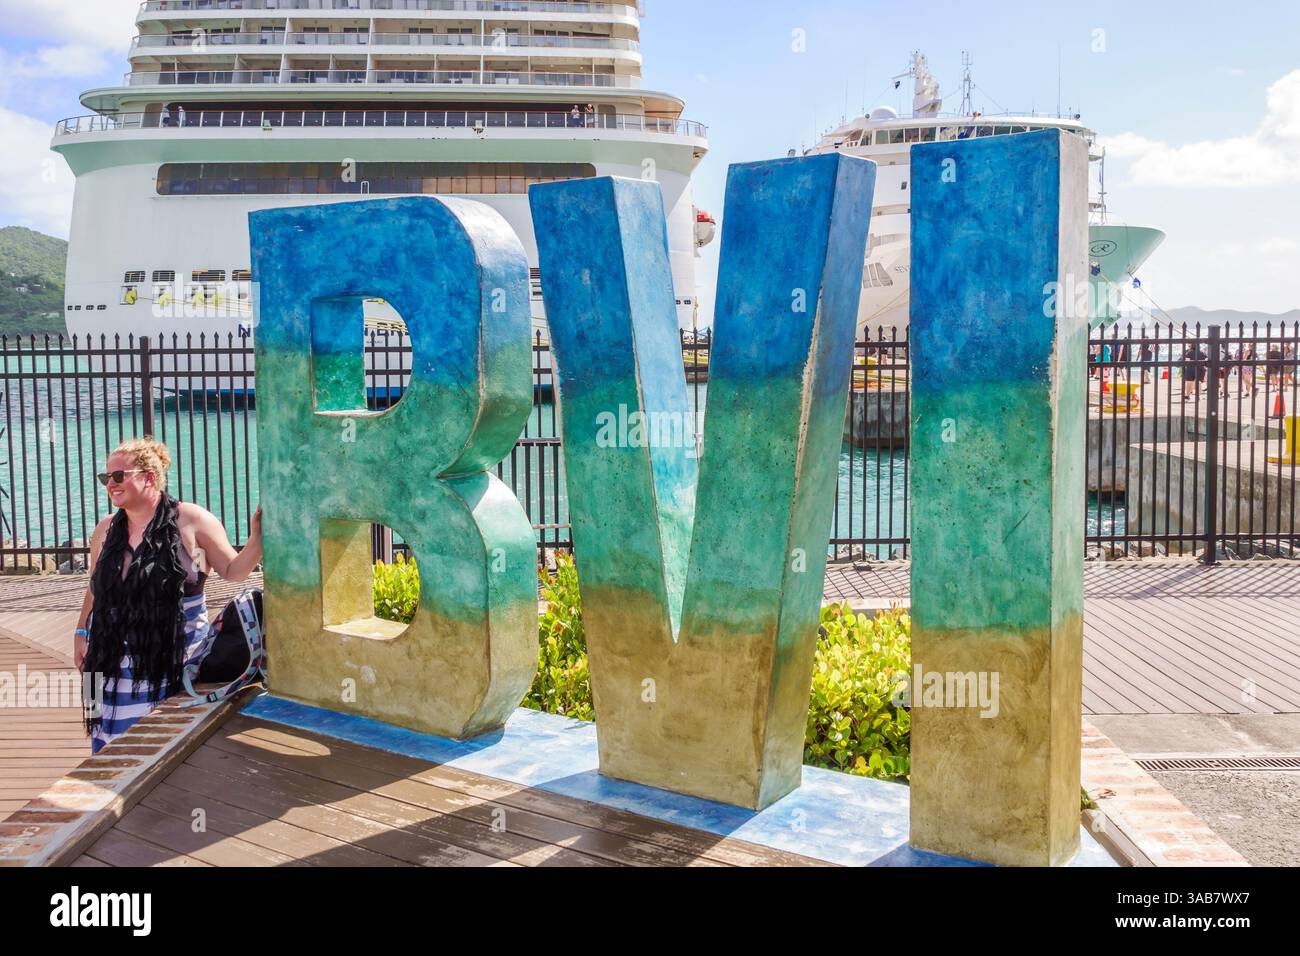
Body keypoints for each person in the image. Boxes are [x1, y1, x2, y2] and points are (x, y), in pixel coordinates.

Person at [75, 437, 263, 754]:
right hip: (104, 659)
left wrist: (256, 539)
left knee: (155, 747)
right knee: (105, 746)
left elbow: (233, 571)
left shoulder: (190, 520)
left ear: (149, 477)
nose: (110, 484)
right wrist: (81, 632)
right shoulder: (105, 529)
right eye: (106, 477)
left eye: (119, 476)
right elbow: (96, 586)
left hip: (169, 659)